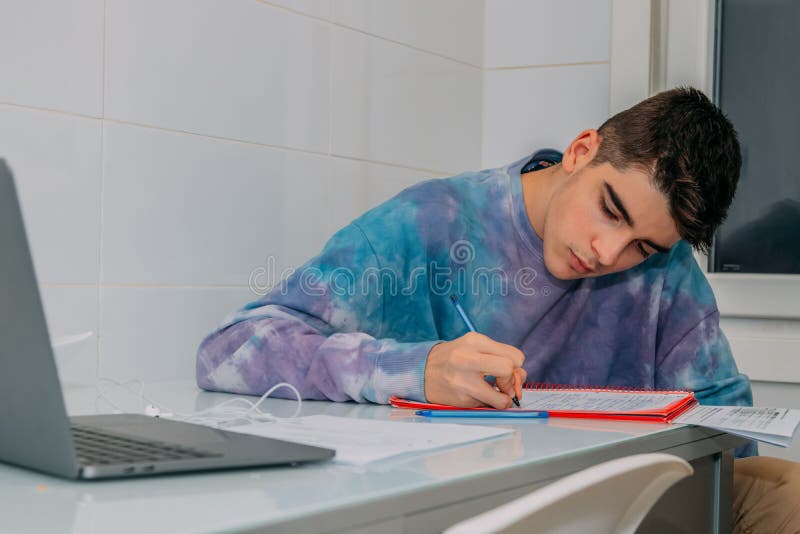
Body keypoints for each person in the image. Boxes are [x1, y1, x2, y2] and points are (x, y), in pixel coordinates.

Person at [196, 87, 798, 532]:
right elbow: (230, 348)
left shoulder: (665, 272)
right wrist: (417, 368)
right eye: (610, 210)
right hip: (456, 505)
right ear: (581, 151)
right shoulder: (433, 220)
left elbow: (729, 434)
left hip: (609, 505)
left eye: (642, 245)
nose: (609, 252)